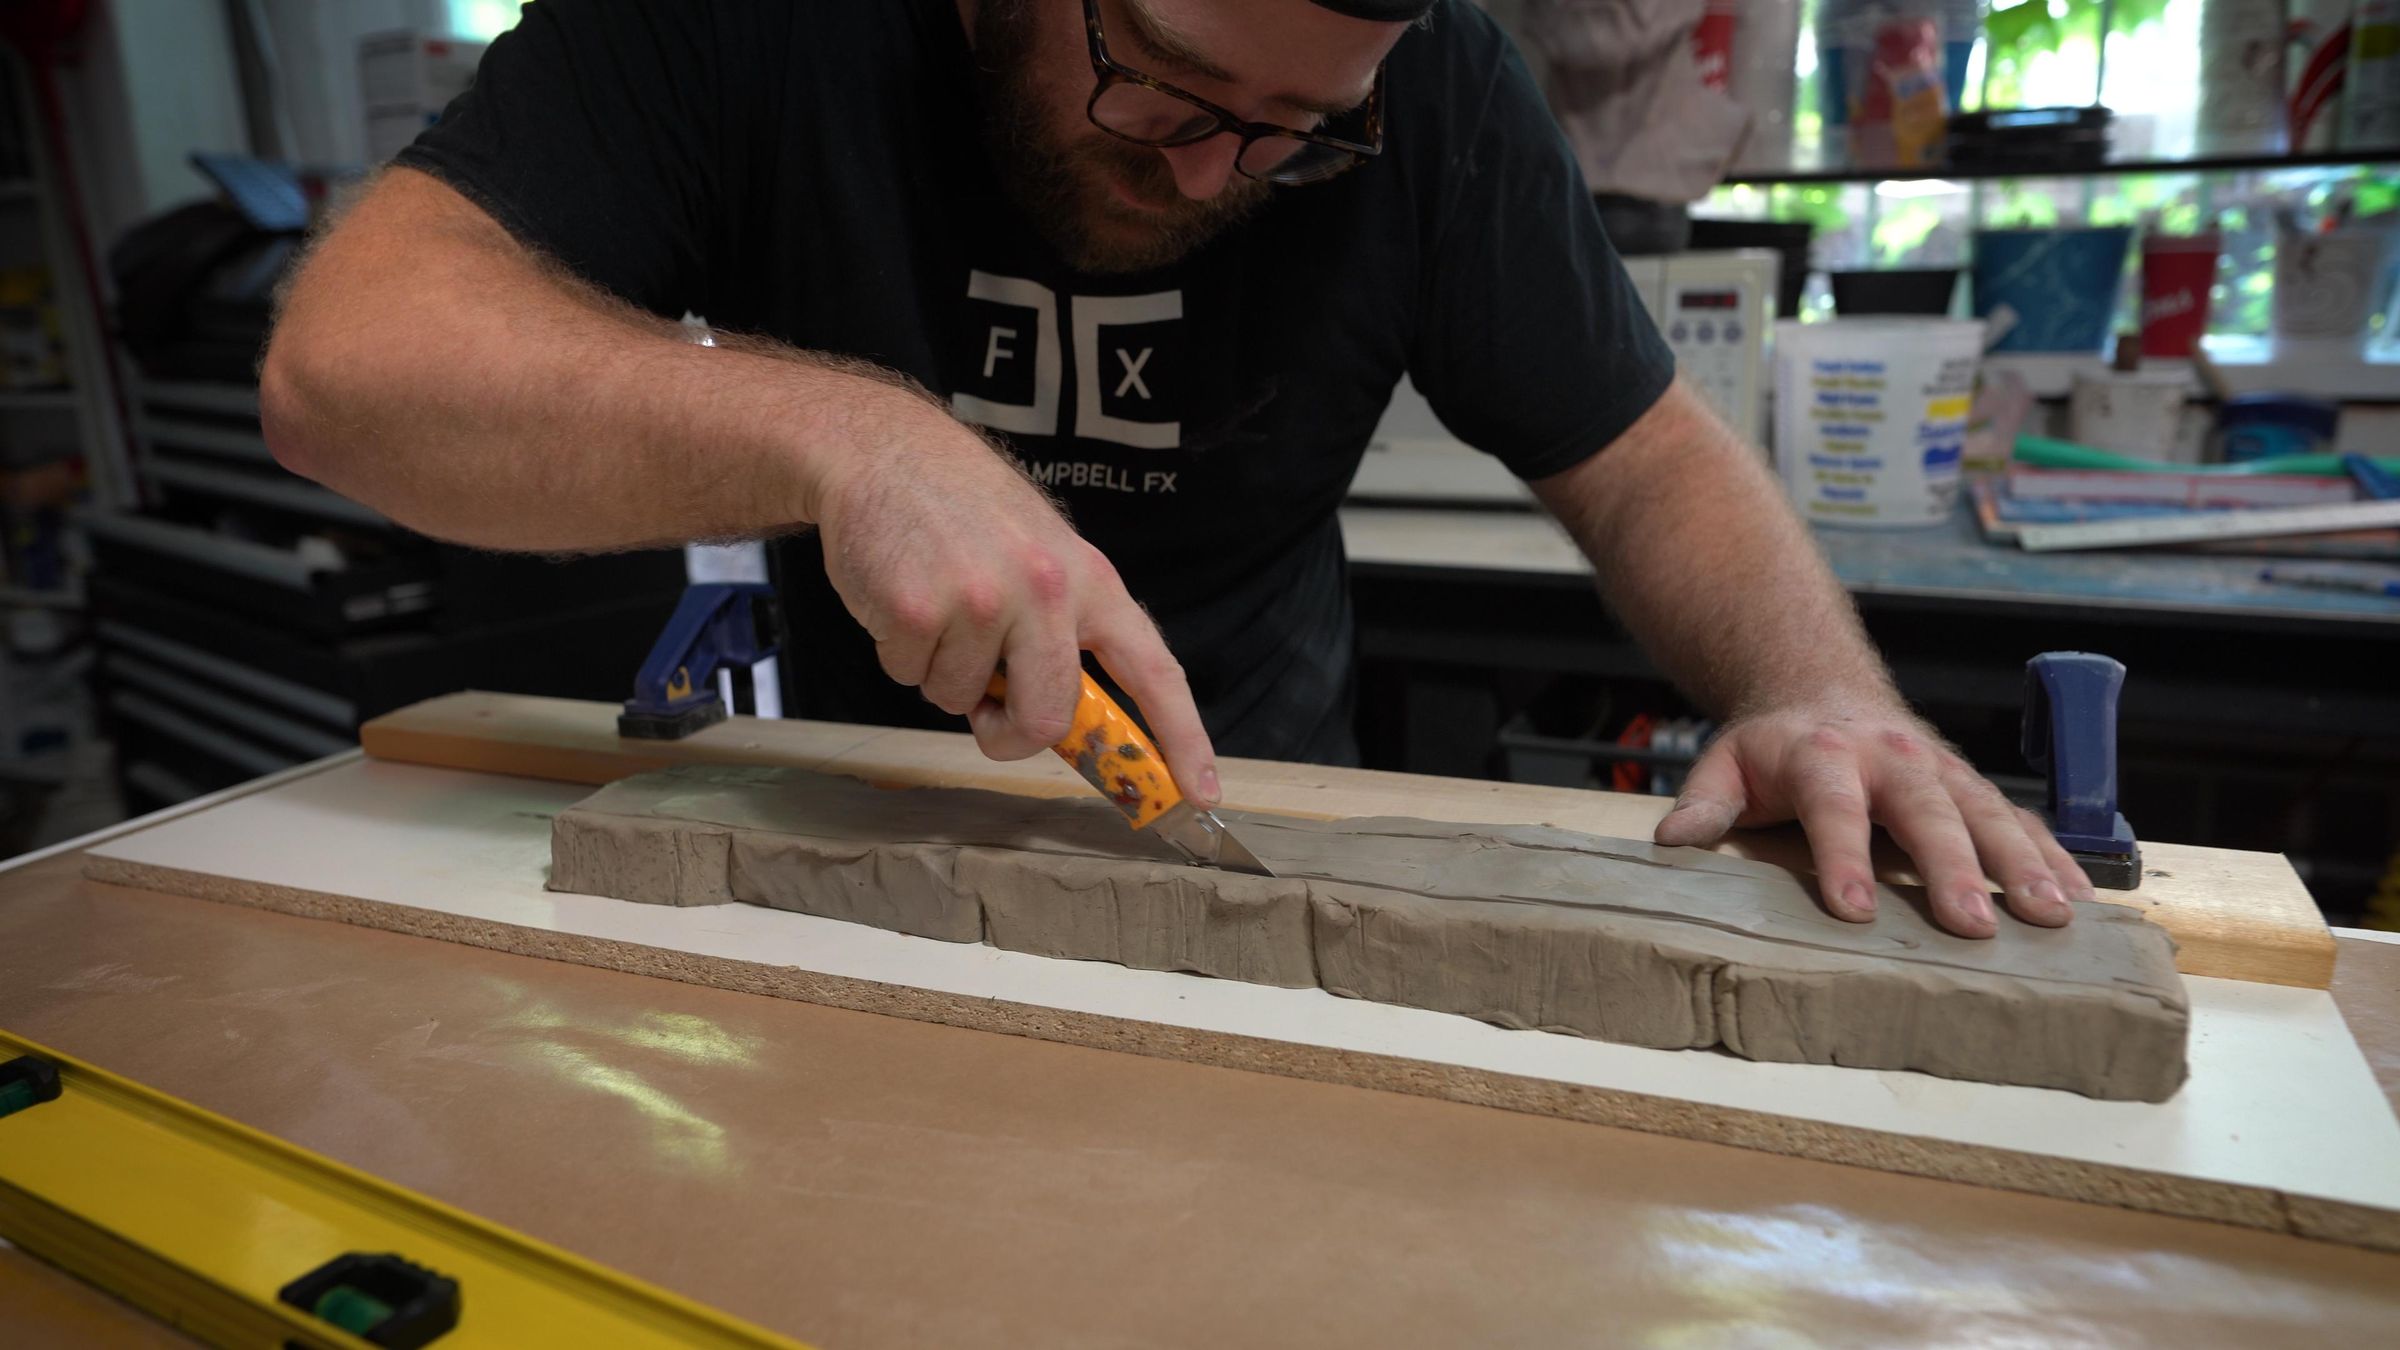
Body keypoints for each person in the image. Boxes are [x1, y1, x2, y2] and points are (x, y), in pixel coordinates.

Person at [261, 0, 2093, 938]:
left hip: (1263, 829)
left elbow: (1645, 455)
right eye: (1168, 82)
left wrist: (1822, 692)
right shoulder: (749, 26)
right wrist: (845, 437)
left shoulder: (1436, 90)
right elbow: (349, 366)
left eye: (1299, 135)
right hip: (862, 857)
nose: (1222, 174)